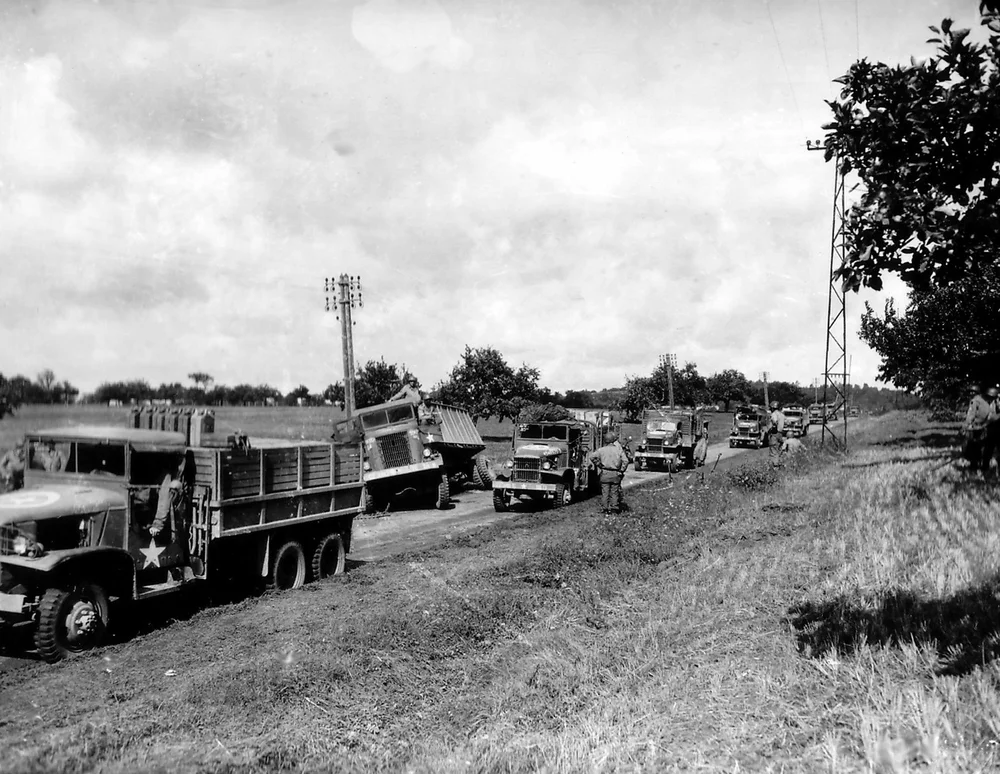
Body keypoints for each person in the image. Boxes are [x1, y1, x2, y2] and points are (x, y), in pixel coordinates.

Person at [589, 431, 630, 515]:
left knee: (605, 492)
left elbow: (592, 457)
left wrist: (599, 465)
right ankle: (614, 508)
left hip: (605, 473)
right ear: (613, 440)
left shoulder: (601, 450)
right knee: (614, 492)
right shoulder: (618, 450)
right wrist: (621, 470)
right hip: (615, 473)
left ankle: (605, 509)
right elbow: (626, 461)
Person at [965, 384, 998, 475]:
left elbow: (993, 415)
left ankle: (981, 466)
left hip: (986, 428)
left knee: (984, 447)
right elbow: (971, 414)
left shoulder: (991, 402)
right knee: (980, 447)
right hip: (982, 427)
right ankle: (978, 466)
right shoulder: (981, 401)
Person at [768, 401, 785, 467]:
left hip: (774, 434)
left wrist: (772, 429)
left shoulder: (774, 414)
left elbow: (775, 422)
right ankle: (779, 464)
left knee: (773, 450)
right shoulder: (782, 415)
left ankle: (775, 466)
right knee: (779, 450)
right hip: (780, 434)